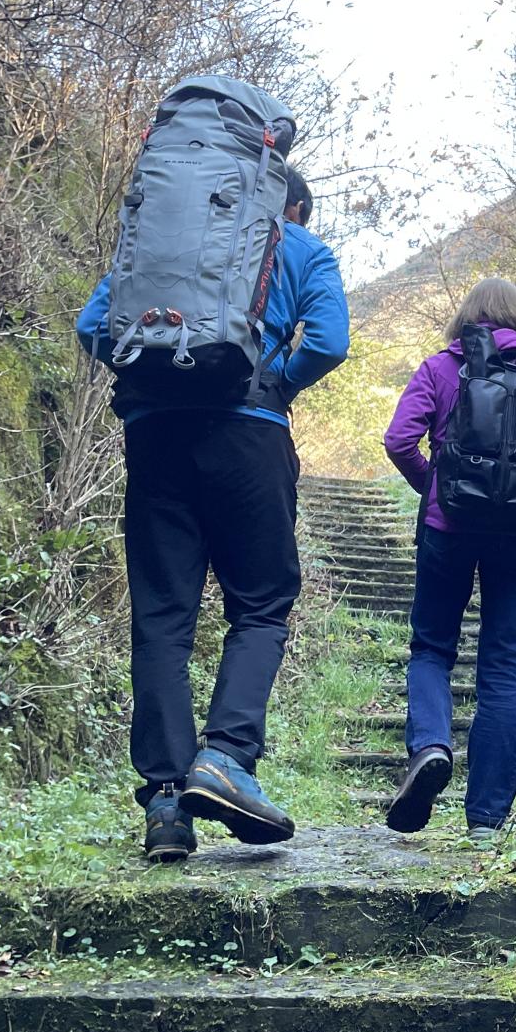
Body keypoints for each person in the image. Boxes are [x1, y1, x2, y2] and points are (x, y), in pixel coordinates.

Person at [77, 170, 348, 862]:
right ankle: (225, 757)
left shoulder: (156, 245)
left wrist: (156, 376)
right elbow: (328, 342)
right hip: (249, 436)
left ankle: (166, 803)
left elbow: (92, 327)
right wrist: (273, 384)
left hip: (155, 436)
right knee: (260, 604)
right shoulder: (300, 247)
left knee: (162, 615)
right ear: (287, 204)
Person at [381, 278, 516, 842]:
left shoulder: (441, 368)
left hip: (448, 531)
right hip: (515, 537)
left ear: (466, 319)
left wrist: (437, 490)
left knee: (431, 648)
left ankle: (430, 747)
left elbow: (399, 440)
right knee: (501, 667)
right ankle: (488, 820)